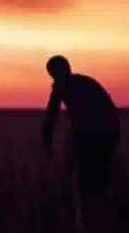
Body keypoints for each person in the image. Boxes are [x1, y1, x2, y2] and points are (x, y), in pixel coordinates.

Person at [42, 54, 121, 200]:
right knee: (103, 181)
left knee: (87, 182)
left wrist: (46, 142)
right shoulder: (86, 82)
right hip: (106, 134)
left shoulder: (64, 86)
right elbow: (110, 109)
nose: (53, 80)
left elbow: (50, 116)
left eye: (53, 75)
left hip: (91, 136)